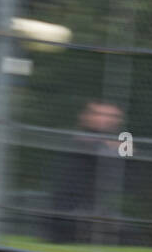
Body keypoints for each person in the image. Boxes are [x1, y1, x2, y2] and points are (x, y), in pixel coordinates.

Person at [49, 100, 124, 244]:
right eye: (101, 114)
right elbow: (97, 147)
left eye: (114, 116)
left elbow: (125, 154)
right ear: (85, 116)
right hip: (71, 210)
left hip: (93, 208)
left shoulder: (117, 139)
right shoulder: (80, 140)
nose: (108, 120)